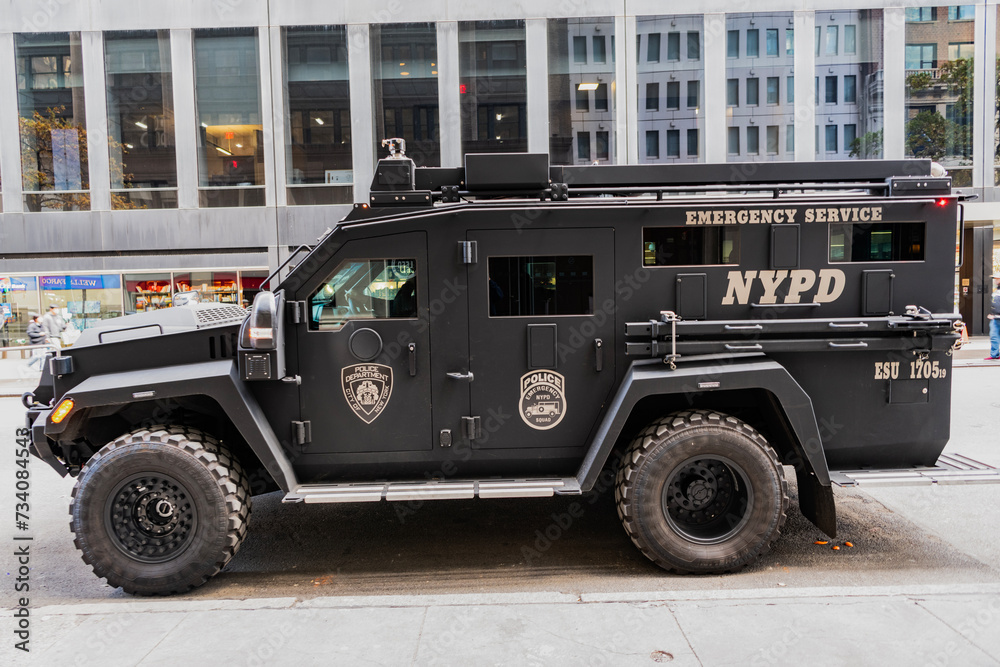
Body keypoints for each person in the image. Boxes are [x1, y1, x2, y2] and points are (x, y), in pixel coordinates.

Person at [988, 274, 1000, 360]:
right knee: (993, 336)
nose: (996, 280)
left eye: (997, 279)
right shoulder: (996, 291)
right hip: (995, 318)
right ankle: (995, 355)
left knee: (994, 335)